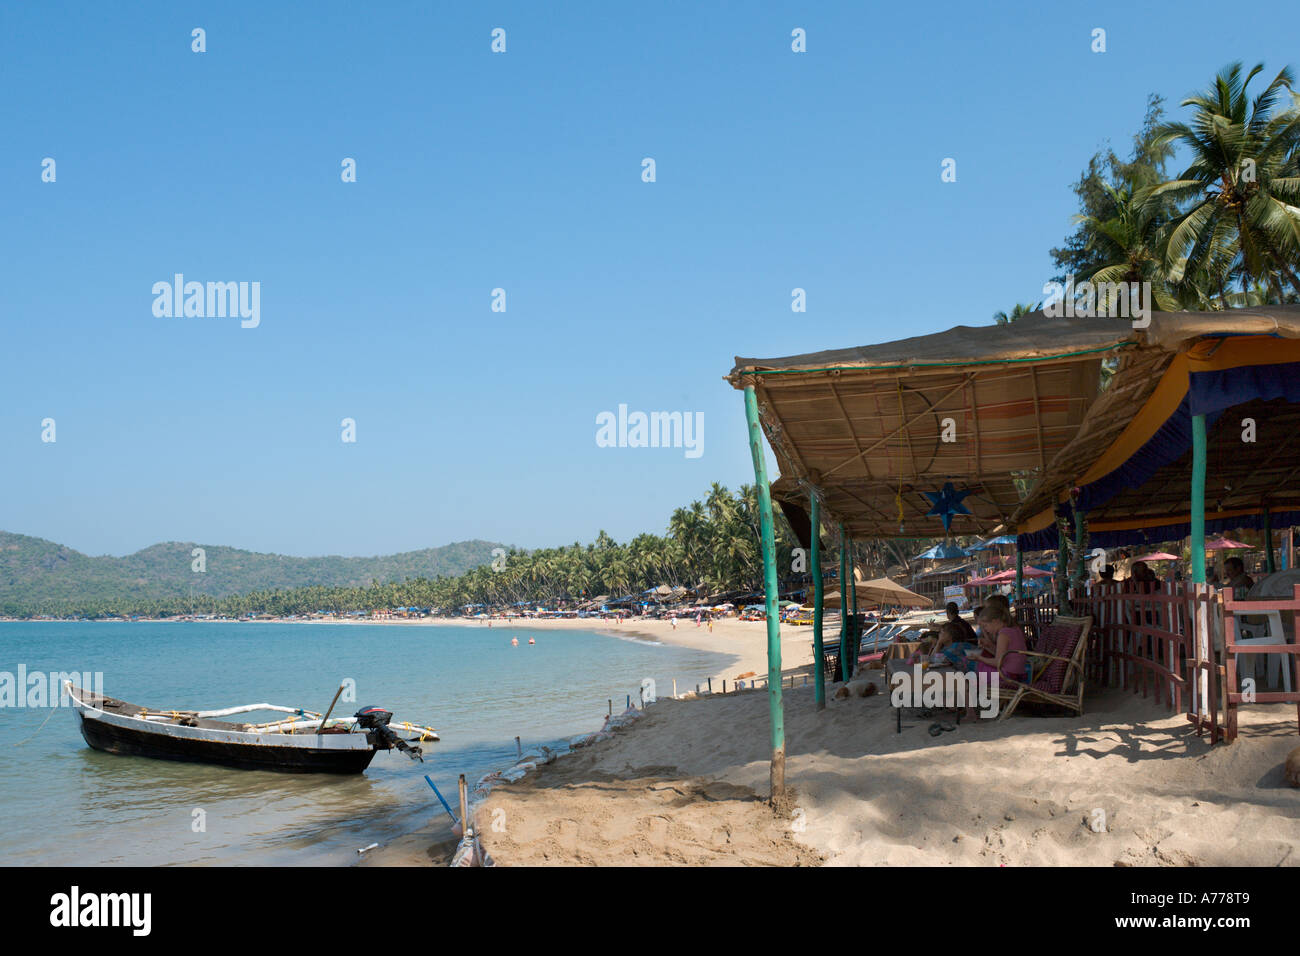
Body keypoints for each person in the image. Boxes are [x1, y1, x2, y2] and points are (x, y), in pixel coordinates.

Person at [971, 603, 1028, 683]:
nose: (985, 630)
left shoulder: (1003, 634)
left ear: (995, 621)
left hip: (1009, 675)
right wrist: (987, 646)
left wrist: (979, 658)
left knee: (979, 666)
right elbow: (1003, 655)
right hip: (1020, 673)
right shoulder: (1015, 629)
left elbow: (998, 662)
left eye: (985, 626)